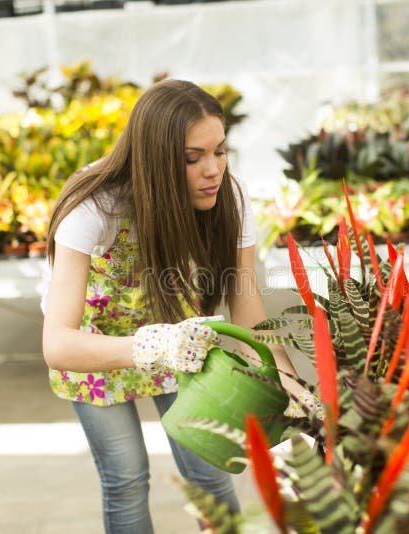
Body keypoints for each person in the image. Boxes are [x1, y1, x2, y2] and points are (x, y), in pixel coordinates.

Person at [40, 79, 307, 533]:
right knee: (126, 479)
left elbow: (246, 305)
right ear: (153, 162)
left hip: (179, 340)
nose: (213, 170)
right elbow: (58, 344)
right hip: (96, 346)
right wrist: (152, 346)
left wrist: (290, 384)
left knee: (211, 476)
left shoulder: (229, 199)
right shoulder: (93, 208)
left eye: (220, 151)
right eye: (192, 158)